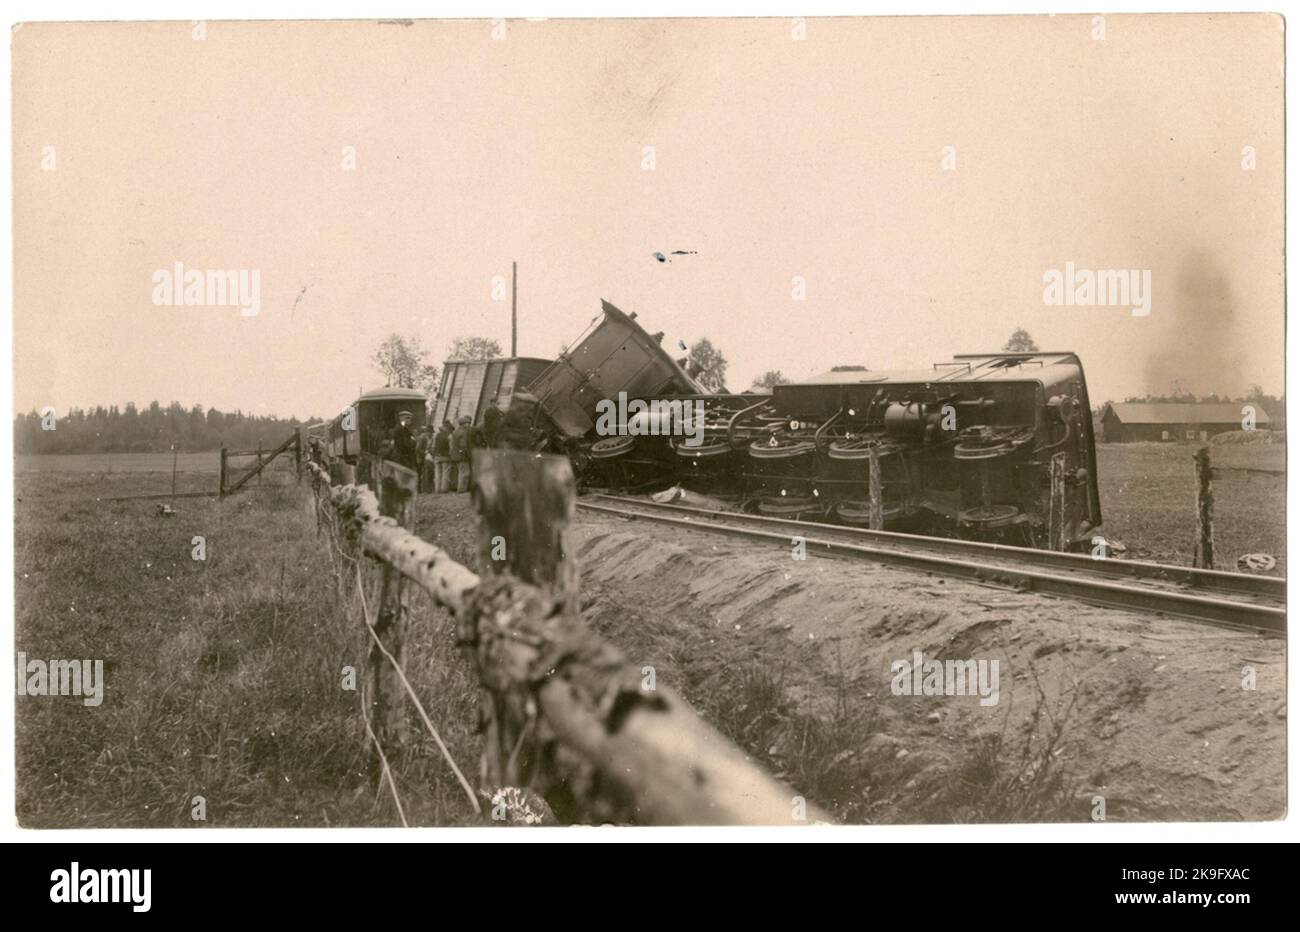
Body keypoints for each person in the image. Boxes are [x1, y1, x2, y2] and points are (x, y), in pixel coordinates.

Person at [450, 415, 473, 492]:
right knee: (465, 473)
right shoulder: (463, 432)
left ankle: (460, 488)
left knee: (460, 472)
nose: (468, 424)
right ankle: (462, 489)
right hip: (462, 456)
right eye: (467, 423)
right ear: (463, 424)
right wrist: (467, 454)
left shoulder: (455, 431)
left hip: (455, 455)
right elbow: (463, 445)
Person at [433, 419, 453, 492]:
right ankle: (444, 489)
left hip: (437, 456)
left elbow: (433, 446)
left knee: (437, 473)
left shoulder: (436, 435)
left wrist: (435, 454)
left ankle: (437, 489)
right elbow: (451, 447)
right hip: (446, 456)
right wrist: (451, 455)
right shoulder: (449, 436)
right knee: (445, 473)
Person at [416, 426, 434, 492]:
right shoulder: (422, 438)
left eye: (431, 433)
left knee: (426, 473)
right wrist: (425, 453)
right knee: (422, 473)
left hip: (424, 458)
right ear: (427, 432)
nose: (431, 434)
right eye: (430, 432)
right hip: (420, 458)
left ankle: (425, 488)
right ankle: (420, 489)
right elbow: (417, 449)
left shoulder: (428, 438)